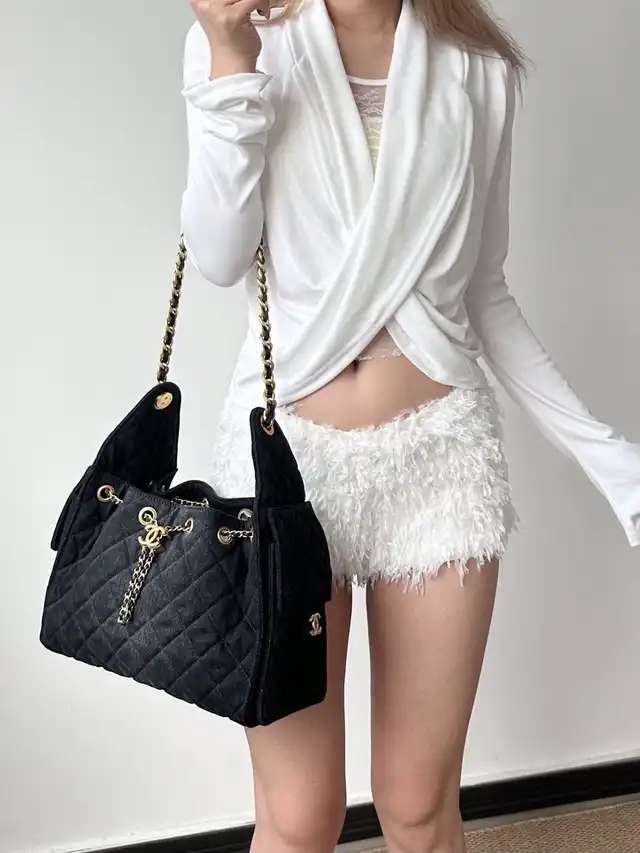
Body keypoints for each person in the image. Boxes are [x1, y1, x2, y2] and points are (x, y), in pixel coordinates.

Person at [181, 0, 640, 850]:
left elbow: (485, 294)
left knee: (420, 804)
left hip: (441, 463)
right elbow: (217, 255)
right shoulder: (248, 40)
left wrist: (619, 467)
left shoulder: (480, 68)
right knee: (298, 816)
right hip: (286, 470)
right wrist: (228, 58)